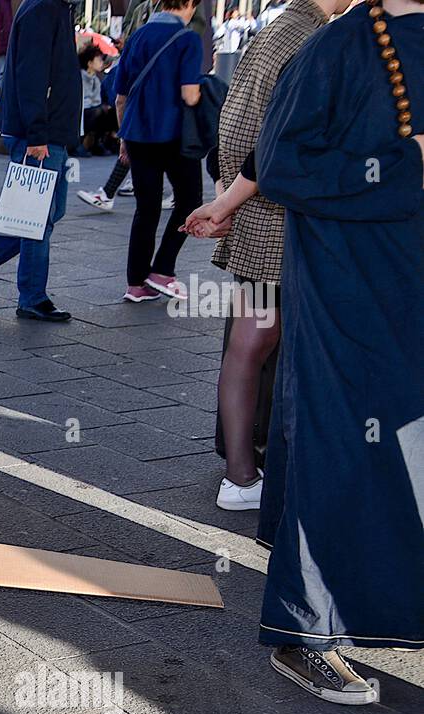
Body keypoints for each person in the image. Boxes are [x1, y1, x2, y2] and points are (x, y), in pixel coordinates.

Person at [251, 0, 424, 705]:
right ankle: (302, 631)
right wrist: (402, 162)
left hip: (409, 287)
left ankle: (389, 607)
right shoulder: (338, 47)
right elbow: (281, 164)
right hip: (348, 291)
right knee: (340, 442)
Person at [183, 0, 344, 512]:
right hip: (273, 216)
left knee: (250, 345)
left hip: (256, 209)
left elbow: (233, 126)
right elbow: (272, 141)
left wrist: (225, 192)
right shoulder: (308, 36)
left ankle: (241, 469)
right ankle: (240, 474)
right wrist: (227, 199)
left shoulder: (284, 28)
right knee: (253, 345)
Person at [0, 0, 79, 322]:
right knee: (38, 218)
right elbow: (33, 74)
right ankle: (32, 297)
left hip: (47, 130)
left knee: (45, 213)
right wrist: (37, 133)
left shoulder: (52, 7)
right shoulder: (44, 9)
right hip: (40, 134)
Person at [112, 0, 202, 303]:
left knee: (146, 209)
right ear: (188, 3)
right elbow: (190, 95)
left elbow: (120, 96)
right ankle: (162, 270)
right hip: (174, 135)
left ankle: (136, 284)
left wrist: (123, 135)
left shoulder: (137, 36)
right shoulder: (188, 39)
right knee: (190, 201)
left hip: (137, 133)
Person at [78, 44, 118, 157]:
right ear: (89, 63)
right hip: (82, 113)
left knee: (110, 111)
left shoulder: (96, 79)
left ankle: (98, 142)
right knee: (99, 111)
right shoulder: (80, 77)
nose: (101, 62)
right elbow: (83, 101)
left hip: (92, 109)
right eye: (98, 59)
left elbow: (97, 99)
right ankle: (80, 143)